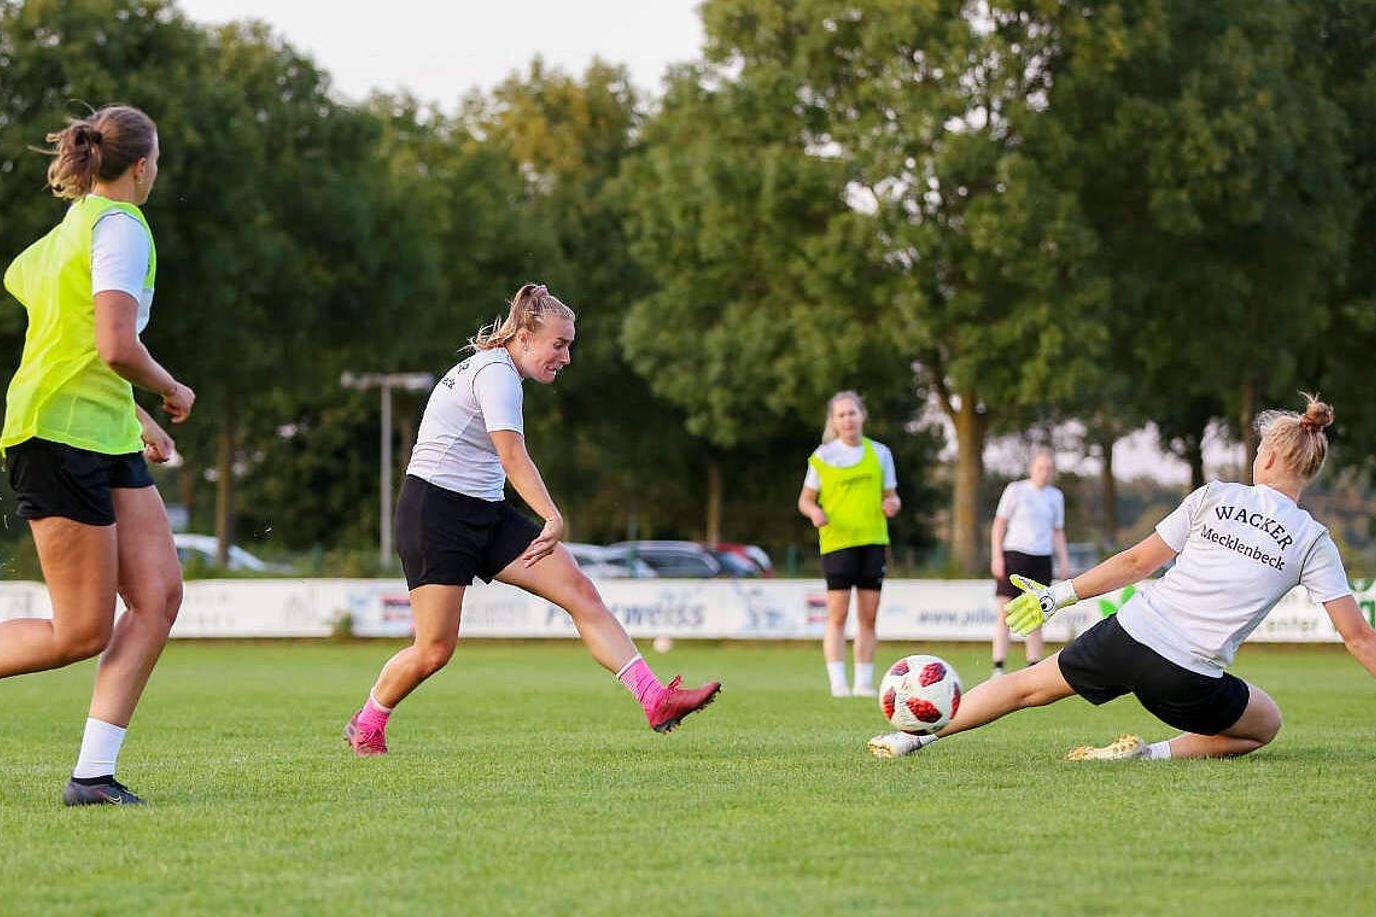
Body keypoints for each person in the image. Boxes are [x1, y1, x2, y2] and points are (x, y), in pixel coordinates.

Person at [869, 395, 1376, 760]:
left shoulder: (1215, 495)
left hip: (1128, 635)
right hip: (1186, 679)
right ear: (1309, 470)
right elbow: (1358, 638)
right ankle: (1146, 754)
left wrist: (1057, 598)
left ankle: (912, 737)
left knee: (1025, 686)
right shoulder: (1314, 540)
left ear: (1265, 456)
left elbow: (1137, 563)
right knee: (1264, 725)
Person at [343, 284, 720, 754]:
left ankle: (655, 699)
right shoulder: (496, 373)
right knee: (435, 649)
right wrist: (552, 517)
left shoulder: (502, 371)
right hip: (435, 513)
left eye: (569, 346)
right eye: (558, 345)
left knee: (581, 593)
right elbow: (513, 457)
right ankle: (370, 721)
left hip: (485, 511)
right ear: (523, 337)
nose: (565, 357)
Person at [1, 105, 195, 805]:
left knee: (159, 595)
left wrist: (136, 414)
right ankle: (89, 774)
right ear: (142, 165)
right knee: (79, 629)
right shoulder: (120, 228)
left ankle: (92, 775)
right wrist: (172, 388)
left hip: (101, 430)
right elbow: (114, 344)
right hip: (59, 436)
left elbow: (75, 341)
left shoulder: (66, 232)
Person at [797, 391, 900, 698]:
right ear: (834, 421)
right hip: (837, 543)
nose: (847, 419)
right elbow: (805, 500)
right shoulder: (823, 456)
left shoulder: (880, 453)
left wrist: (893, 503)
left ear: (862, 415)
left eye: (852, 413)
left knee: (868, 616)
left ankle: (864, 683)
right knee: (838, 615)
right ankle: (839, 683)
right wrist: (815, 511)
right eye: (841, 415)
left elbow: (891, 495)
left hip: (873, 541)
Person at [990, 449, 1072, 677]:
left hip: (1042, 558)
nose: (1045, 473)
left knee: (1037, 612)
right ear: (1031, 469)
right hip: (1014, 554)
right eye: (1040, 468)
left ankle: (1033, 666)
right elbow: (999, 524)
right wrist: (997, 556)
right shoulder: (1016, 490)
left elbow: (1058, 531)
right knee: (1005, 612)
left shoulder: (1055, 496)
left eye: (1049, 469)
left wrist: (1064, 560)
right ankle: (998, 666)